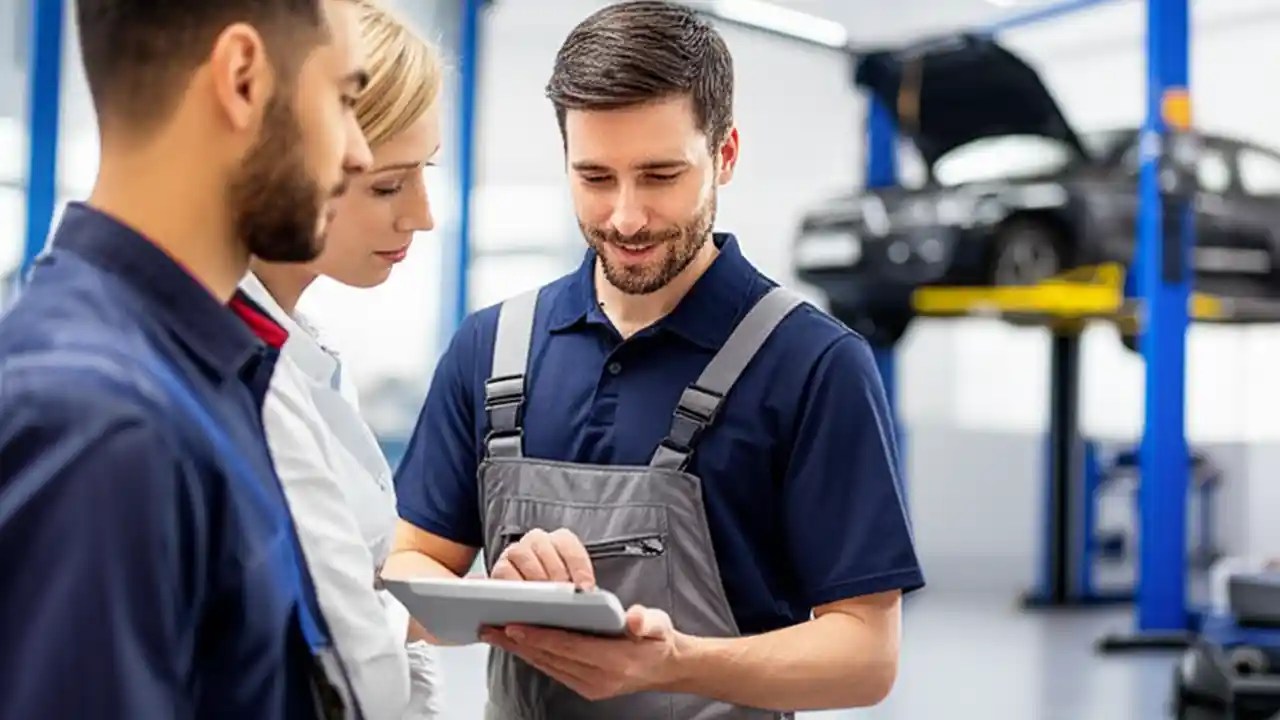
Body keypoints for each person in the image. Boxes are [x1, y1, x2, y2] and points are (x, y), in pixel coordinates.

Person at [384, 1, 924, 718]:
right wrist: (501, 598)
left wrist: (678, 663)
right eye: (596, 177)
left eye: (661, 175)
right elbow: (407, 569)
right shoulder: (489, 348)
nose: (627, 217)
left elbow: (863, 656)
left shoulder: (814, 365)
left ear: (725, 155)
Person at [0, 1, 373, 718]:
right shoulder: (103, 422)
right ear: (241, 78)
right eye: (344, 98)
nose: (358, 152)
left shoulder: (197, 376)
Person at [238, 0, 444, 717]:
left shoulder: (308, 352)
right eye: (387, 184)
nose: (421, 214)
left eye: (426, 174)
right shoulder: (228, 367)